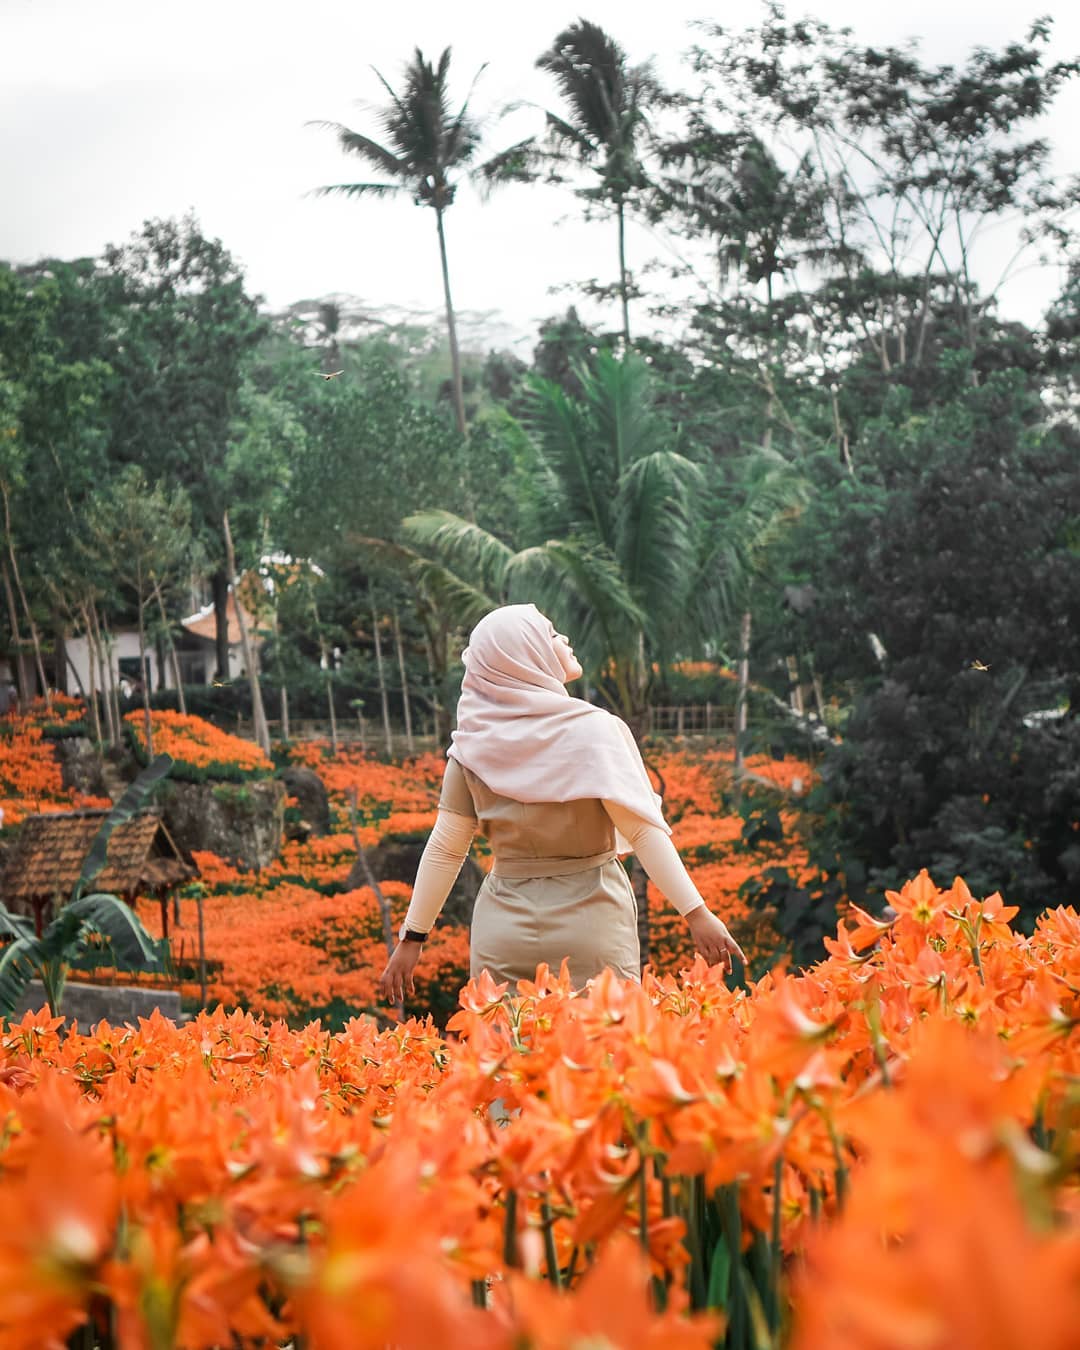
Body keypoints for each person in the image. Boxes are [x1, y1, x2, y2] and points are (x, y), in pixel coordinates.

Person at [377, 604, 746, 1005]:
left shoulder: (472, 746)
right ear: (526, 653)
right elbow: (642, 831)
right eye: (550, 634)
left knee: (508, 1053)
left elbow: (447, 848)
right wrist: (696, 914)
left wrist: (412, 939)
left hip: (504, 930)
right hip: (593, 921)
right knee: (601, 1057)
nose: (563, 639)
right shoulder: (594, 732)